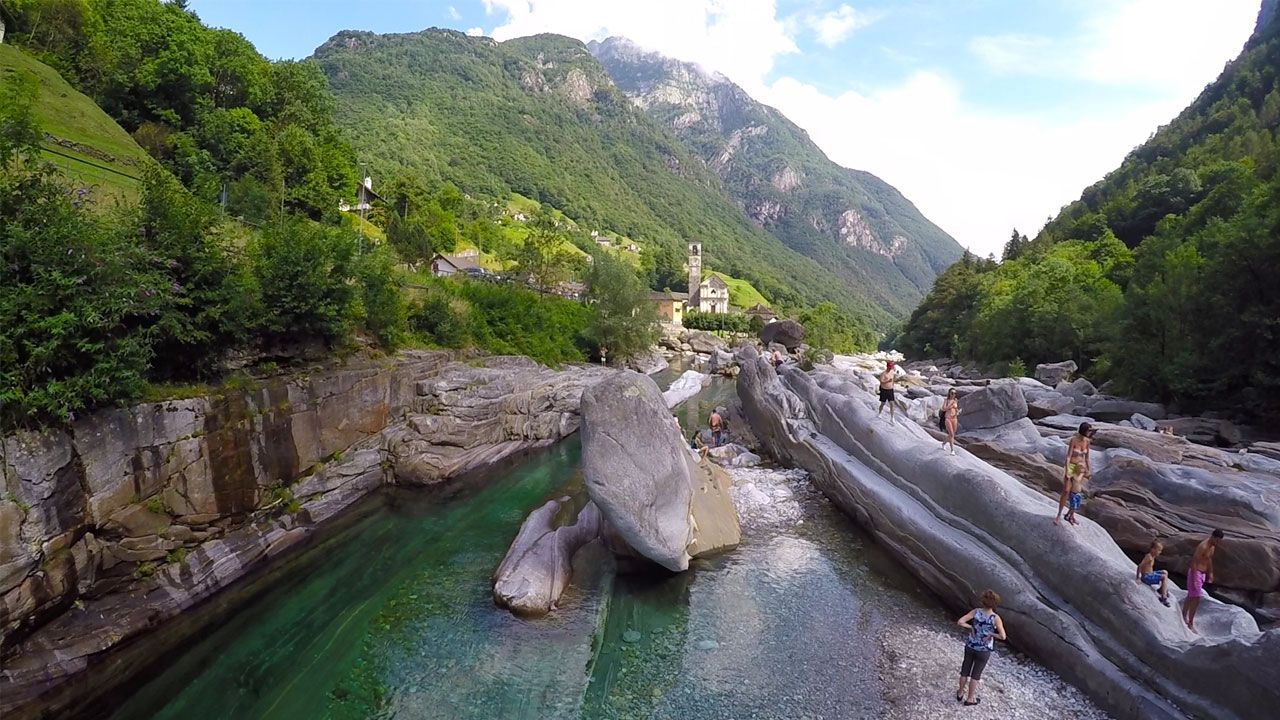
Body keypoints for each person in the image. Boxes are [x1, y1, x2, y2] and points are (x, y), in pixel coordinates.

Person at [955, 589, 1007, 706]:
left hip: (971, 645)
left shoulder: (976, 612)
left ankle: (959, 693)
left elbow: (960, 622)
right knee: (976, 675)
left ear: (983, 601)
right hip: (984, 650)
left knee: (965, 671)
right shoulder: (995, 618)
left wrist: (971, 627)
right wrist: (991, 634)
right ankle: (970, 699)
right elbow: (1003, 636)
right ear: (995, 603)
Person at [1183, 529, 1224, 632]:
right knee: (1196, 598)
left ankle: (1184, 614)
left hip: (1202, 573)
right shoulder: (1203, 546)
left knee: (1191, 595)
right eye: (1217, 540)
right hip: (1195, 572)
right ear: (1213, 537)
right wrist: (1194, 579)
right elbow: (1194, 561)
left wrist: (1210, 573)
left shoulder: (1212, 547)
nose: (1218, 543)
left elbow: (1208, 559)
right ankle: (1190, 622)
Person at [1056, 423, 1096, 526]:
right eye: (1089, 430)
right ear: (1084, 430)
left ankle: (1071, 515)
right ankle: (1058, 515)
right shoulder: (1074, 440)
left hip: (1080, 468)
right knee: (1066, 490)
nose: (1090, 432)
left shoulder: (1087, 441)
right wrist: (1067, 469)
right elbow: (1068, 456)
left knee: (1075, 492)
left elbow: (1086, 457)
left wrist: (1088, 470)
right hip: (1072, 466)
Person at [1135, 540, 1172, 607]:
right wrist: (1138, 578)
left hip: (1150, 574)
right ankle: (1163, 597)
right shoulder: (1148, 557)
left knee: (1165, 572)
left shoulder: (1153, 556)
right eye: (1159, 550)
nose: (1160, 552)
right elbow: (1140, 566)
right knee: (1163, 577)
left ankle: (1161, 590)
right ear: (1153, 549)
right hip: (1146, 577)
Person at [942, 388, 960, 455]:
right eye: (952, 393)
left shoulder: (955, 400)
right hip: (948, 418)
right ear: (949, 393)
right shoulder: (946, 400)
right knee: (951, 434)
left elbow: (956, 409)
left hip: (954, 418)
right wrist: (950, 405)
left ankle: (944, 443)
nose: (953, 394)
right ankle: (952, 450)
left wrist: (957, 411)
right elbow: (943, 409)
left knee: (952, 435)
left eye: (955, 393)